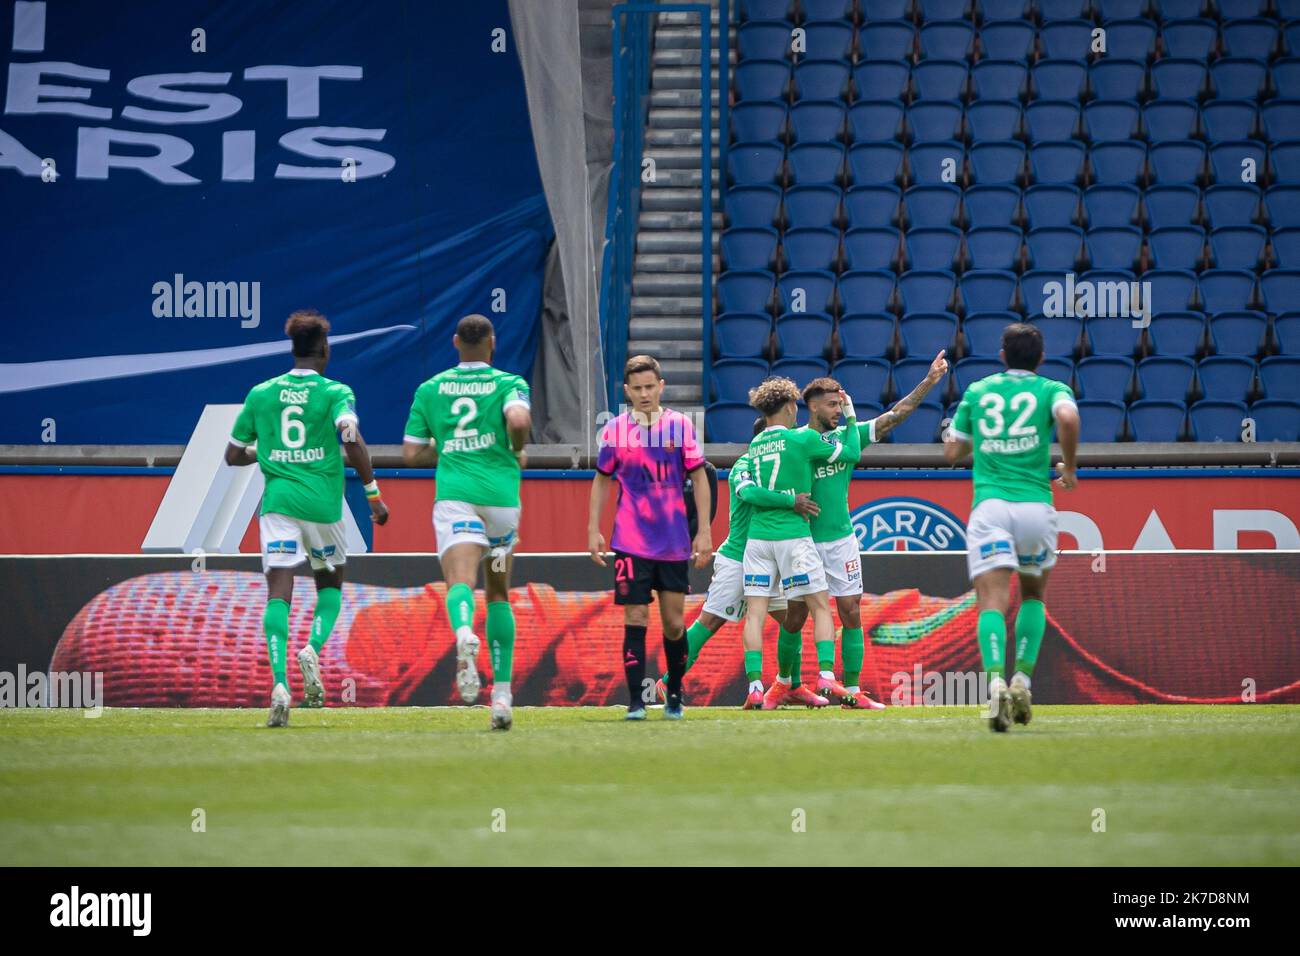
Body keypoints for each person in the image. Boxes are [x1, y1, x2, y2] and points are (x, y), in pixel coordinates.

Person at [225, 309, 389, 728]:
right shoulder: (336, 392)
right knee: (329, 584)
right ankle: (312, 648)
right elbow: (349, 436)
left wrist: (264, 453)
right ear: (325, 350)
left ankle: (279, 685)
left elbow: (232, 454)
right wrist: (372, 494)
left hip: (279, 505)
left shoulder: (261, 393)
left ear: (293, 349)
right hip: (323, 507)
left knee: (278, 591)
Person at [779, 352, 949, 709]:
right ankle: (789, 686)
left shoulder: (848, 436)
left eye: (840, 405)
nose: (837, 411)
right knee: (796, 616)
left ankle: (852, 690)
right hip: (803, 539)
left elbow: (894, 416)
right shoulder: (794, 442)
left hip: (840, 540)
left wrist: (929, 382)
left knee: (851, 610)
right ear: (811, 406)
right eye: (830, 405)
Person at [943, 323, 1080, 731]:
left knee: (992, 601)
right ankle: (1022, 679)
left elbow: (953, 452)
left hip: (991, 507)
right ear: (1040, 358)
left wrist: (976, 439)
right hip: (1036, 506)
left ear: (1002, 355)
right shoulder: (1051, 389)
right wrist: (1069, 468)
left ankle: (995, 684)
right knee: (1033, 594)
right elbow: (1068, 418)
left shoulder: (979, 391)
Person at [402, 314, 532, 730]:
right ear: (492, 342)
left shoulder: (430, 389)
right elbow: (519, 421)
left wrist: (449, 448)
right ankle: (502, 696)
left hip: (457, 498)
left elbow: (412, 454)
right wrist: (514, 449)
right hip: (500, 502)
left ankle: (462, 631)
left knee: (460, 580)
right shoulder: (510, 383)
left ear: (456, 342)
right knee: (498, 593)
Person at [654, 417, 827, 707]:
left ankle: (793, 685)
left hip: (768, 557)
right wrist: (790, 501)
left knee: (792, 621)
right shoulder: (744, 466)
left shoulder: (779, 470)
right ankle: (669, 680)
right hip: (738, 559)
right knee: (710, 621)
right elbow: (748, 493)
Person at [587, 355, 711, 721]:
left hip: (673, 542)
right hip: (630, 540)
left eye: (649, 386)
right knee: (636, 617)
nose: (644, 394)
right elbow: (601, 479)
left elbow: (700, 476)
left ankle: (674, 694)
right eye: (636, 388)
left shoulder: (680, 427)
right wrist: (593, 528)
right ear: (626, 391)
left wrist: (704, 531)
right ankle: (636, 703)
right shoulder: (614, 431)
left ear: (661, 386)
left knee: (674, 624)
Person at [738, 377, 848, 710]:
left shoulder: (754, 447)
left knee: (755, 614)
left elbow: (750, 491)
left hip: (758, 539)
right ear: (790, 407)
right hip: (793, 537)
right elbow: (848, 450)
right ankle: (827, 675)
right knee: (820, 606)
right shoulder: (801, 439)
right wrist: (852, 417)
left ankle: (756, 685)